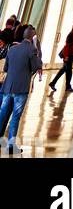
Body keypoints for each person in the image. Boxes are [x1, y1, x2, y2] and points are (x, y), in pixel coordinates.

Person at [0, 25, 42, 154]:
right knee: (15, 117)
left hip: (8, 87)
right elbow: (36, 66)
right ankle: (11, 147)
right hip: (21, 89)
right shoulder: (32, 50)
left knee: (2, 114)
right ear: (33, 37)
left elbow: (6, 68)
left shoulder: (12, 49)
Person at [49, 21, 73, 92]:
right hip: (68, 55)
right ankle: (67, 86)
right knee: (69, 72)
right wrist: (66, 56)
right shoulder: (71, 35)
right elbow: (67, 46)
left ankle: (53, 83)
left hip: (70, 55)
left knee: (64, 70)